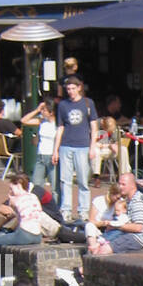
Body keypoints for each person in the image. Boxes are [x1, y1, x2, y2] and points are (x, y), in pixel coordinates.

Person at [53, 76, 98, 224]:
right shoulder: (63, 105)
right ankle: (66, 210)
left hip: (83, 145)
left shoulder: (88, 103)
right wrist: (55, 149)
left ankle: (83, 210)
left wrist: (93, 146)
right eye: (68, 89)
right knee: (65, 180)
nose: (71, 91)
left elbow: (94, 127)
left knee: (83, 180)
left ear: (79, 88)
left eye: (73, 88)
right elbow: (60, 127)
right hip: (66, 145)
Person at [0, 173, 45, 257]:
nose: (10, 191)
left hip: (24, 235)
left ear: (18, 185)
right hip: (37, 236)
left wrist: (11, 199)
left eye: (11, 188)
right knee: (3, 241)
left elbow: (8, 212)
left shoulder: (15, 199)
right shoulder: (33, 196)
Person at [101, 171, 143, 253]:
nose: (120, 187)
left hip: (139, 238)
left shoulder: (137, 202)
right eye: (119, 184)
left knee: (104, 249)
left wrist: (115, 225)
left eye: (123, 184)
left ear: (132, 185)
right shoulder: (128, 200)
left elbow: (138, 227)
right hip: (128, 233)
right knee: (97, 243)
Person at [22, 96, 59, 199]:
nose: (42, 112)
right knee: (36, 183)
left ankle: (55, 208)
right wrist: (37, 110)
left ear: (51, 112)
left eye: (44, 110)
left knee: (54, 186)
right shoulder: (41, 121)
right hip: (41, 155)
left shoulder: (57, 124)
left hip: (52, 155)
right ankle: (38, 204)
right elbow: (24, 120)